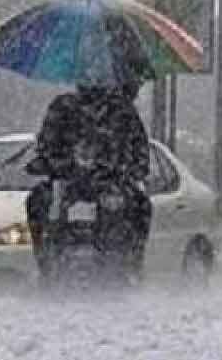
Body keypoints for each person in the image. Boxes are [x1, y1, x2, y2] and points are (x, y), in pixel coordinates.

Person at [26, 54, 152, 281]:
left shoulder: (122, 111)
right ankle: (46, 262)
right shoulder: (63, 107)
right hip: (66, 184)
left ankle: (132, 263)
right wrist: (51, 164)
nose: (92, 80)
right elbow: (45, 147)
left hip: (112, 186)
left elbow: (140, 152)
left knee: (141, 206)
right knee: (36, 200)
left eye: (98, 74)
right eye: (87, 74)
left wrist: (127, 171)